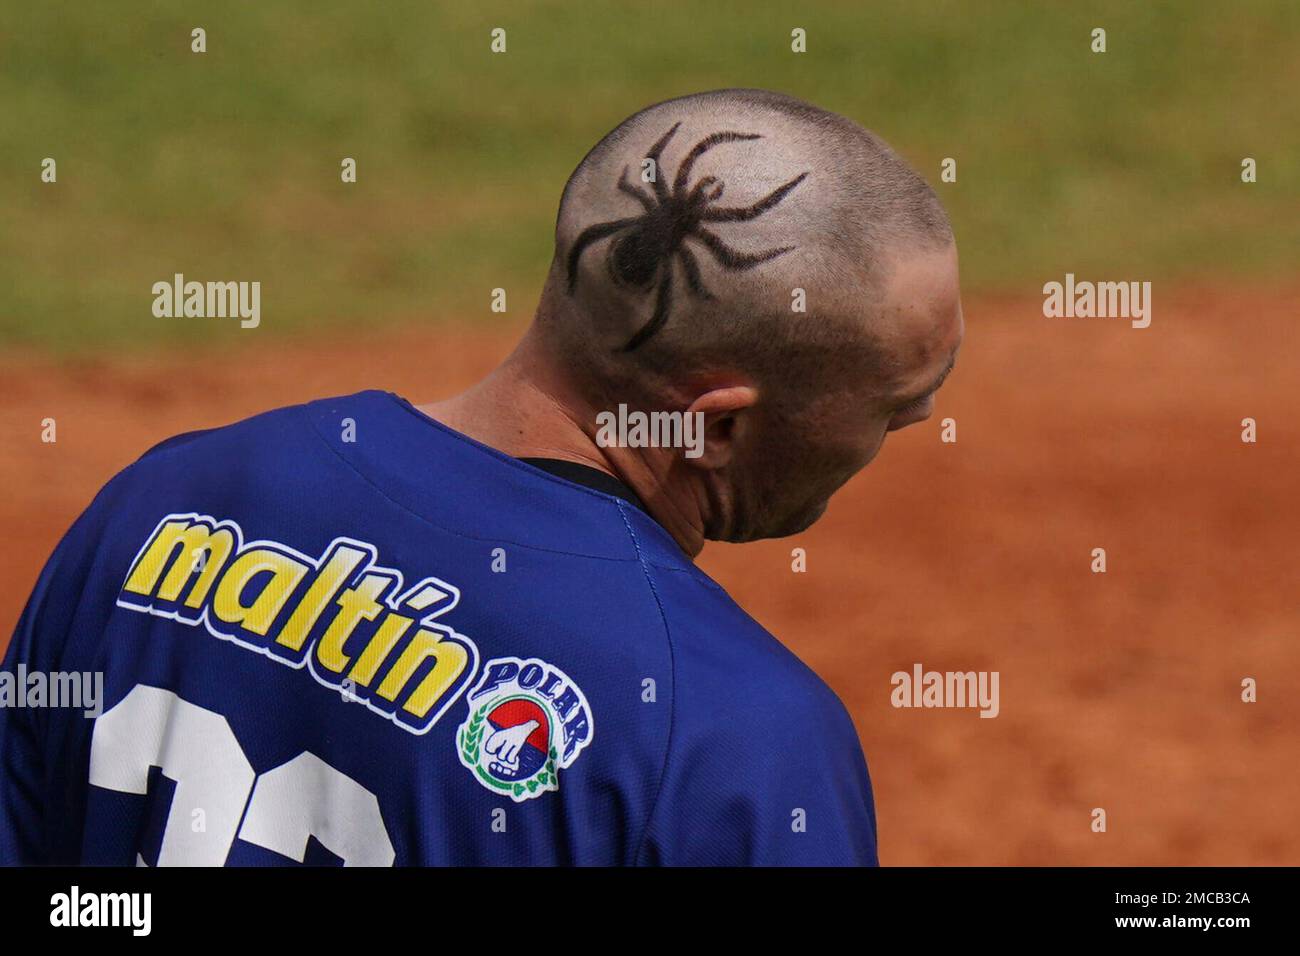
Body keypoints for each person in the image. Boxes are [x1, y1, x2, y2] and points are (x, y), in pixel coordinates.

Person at [0, 88, 961, 866]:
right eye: (896, 404)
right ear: (714, 430)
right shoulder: (731, 741)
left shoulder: (167, 499)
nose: (918, 420)